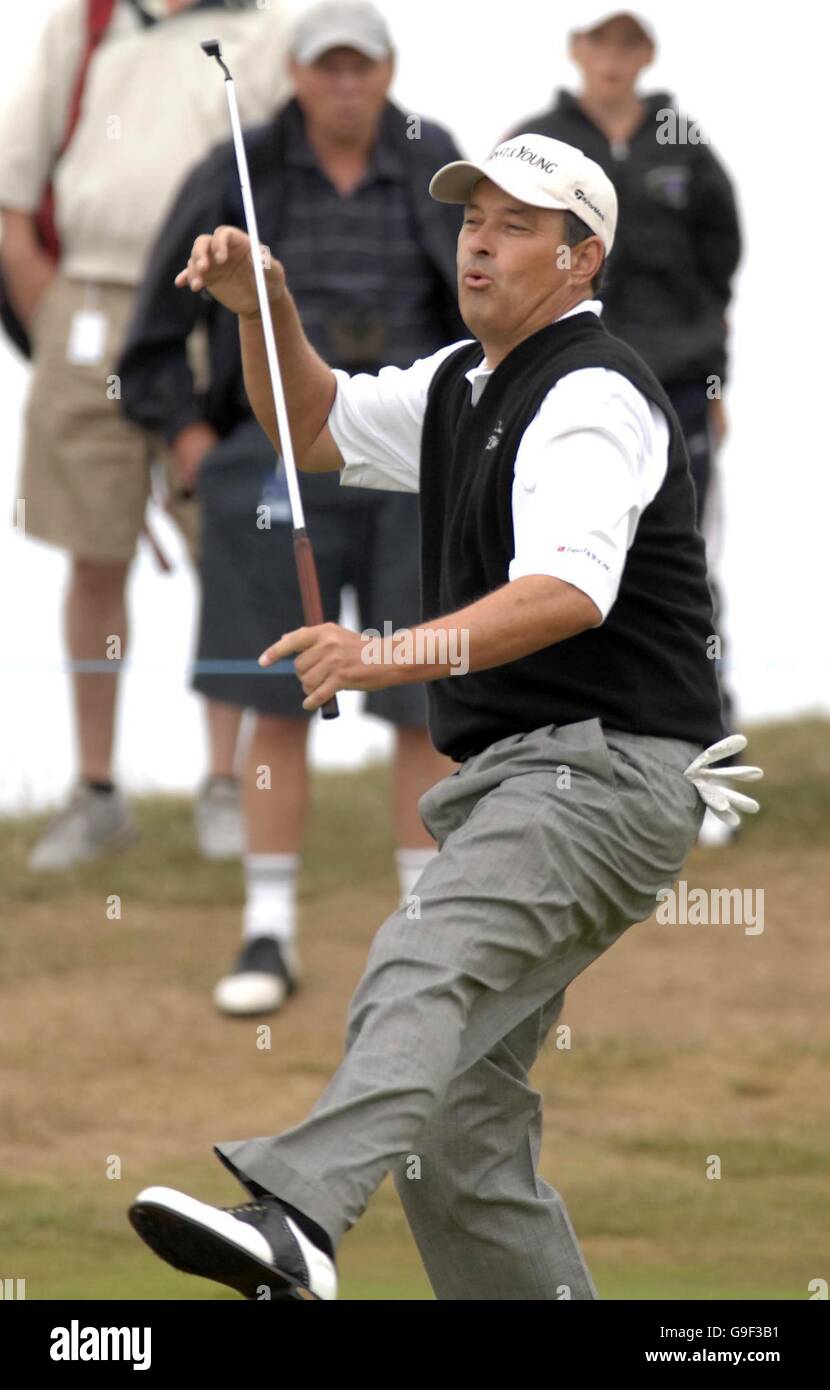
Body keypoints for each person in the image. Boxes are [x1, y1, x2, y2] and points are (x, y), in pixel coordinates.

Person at [128, 131, 758, 1301]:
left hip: (600, 771)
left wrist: (378, 656)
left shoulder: (587, 395)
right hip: (540, 777)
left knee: (418, 956)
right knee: (455, 1127)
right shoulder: (462, 383)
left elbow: (565, 594)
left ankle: (298, 1215)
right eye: (474, 217)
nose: (479, 238)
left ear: (581, 260)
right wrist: (267, 312)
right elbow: (309, 425)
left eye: (518, 224)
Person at [119, 0, 463, 1015]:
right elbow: (151, 332)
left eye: (363, 68)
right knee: (279, 696)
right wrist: (196, 450)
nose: (347, 85)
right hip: (272, 469)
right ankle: (268, 931)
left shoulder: (429, 158)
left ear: (387, 72)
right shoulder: (240, 167)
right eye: (329, 69)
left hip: (410, 459)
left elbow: (480, 307)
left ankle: (421, 934)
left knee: (421, 690)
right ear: (299, 75)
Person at [0, 0, 289, 871]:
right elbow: (13, 195)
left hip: (213, 308)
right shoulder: (84, 24)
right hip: (87, 305)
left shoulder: (265, 36)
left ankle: (226, 785)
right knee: (94, 554)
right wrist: (53, 312)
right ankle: (96, 792)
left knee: (231, 549)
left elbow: (281, 181)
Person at [506, 8, 743, 845]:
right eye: (598, 42)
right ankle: (570, 767)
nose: (612, 59)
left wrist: (714, 370)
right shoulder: (538, 141)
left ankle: (709, 768)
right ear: (577, 50)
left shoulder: (682, 140)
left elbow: (722, 257)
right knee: (568, 573)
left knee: (681, 577)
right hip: (568, 390)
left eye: (627, 44)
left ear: (644, 54)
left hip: (674, 391)